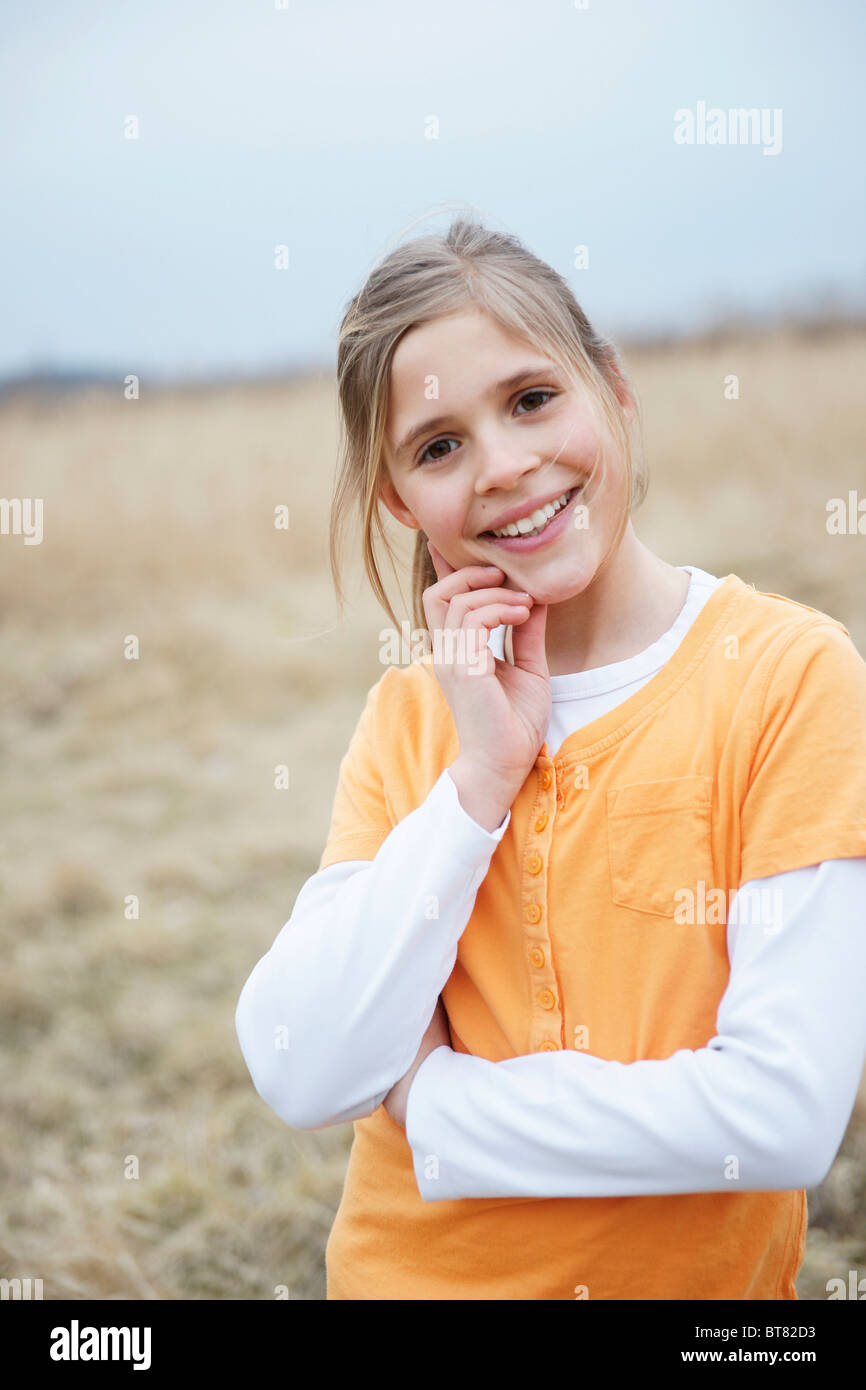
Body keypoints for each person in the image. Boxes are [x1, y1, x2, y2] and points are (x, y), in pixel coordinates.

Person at [235, 217, 866, 1300]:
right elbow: (302, 1064)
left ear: (611, 388)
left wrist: (436, 1109)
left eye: (531, 399)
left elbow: (779, 1115)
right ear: (399, 498)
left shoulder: (786, 676)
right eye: (438, 446)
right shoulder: (411, 717)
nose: (508, 466)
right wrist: (477, 781)